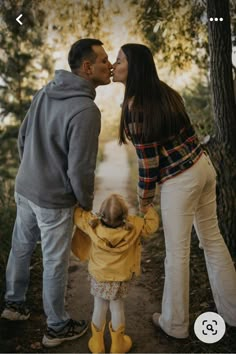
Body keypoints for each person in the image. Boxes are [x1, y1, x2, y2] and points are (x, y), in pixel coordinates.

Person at [112, 43, 236, 339]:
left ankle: (175, 324)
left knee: (177, 254)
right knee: (213, 240)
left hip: (180, 180)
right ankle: (232, 314)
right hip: (202, 167)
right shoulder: (166, 93)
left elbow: (148, 164)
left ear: (135, 67)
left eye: (119, 60)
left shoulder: (135, 107)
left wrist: (143, 203)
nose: (114, 64)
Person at [1, 38, 112, 348]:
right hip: (53, 201)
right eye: (104, 60)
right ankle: (56, 326)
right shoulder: (86, 110)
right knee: (54, 262)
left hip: (26, 187)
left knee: (20, 247)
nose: (110, 65)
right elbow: (80, 169)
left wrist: (31, 171)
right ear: (88, 68)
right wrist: (85, 203)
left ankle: (15, 305)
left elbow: (23, 136)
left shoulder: (45, 92)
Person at [72, 193, 159, 353]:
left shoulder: (91, 225)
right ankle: (118, 345)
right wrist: (147, 208)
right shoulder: (135, 226)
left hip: (99, 277)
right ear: (125, 216)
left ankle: (97, 345)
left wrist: (81, 204)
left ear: (101, 214)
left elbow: (77, 216)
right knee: (117, 308)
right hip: (121, 278)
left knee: (99, 307)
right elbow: (152, 225)